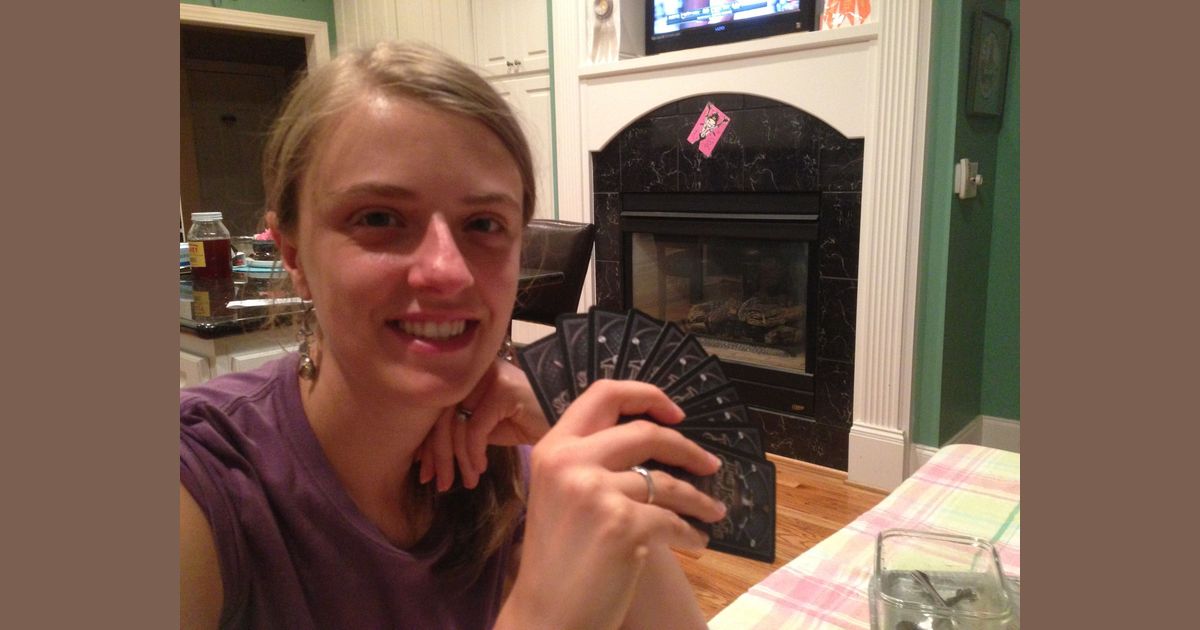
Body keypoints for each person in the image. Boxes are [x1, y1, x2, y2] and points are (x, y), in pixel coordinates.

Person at [179, 41, 727, 629]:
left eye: (484, 224)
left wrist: (570, 440)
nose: (448, 271)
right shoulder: (203, 482)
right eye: (379, 218)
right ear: (292, 252)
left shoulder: (521, 463)